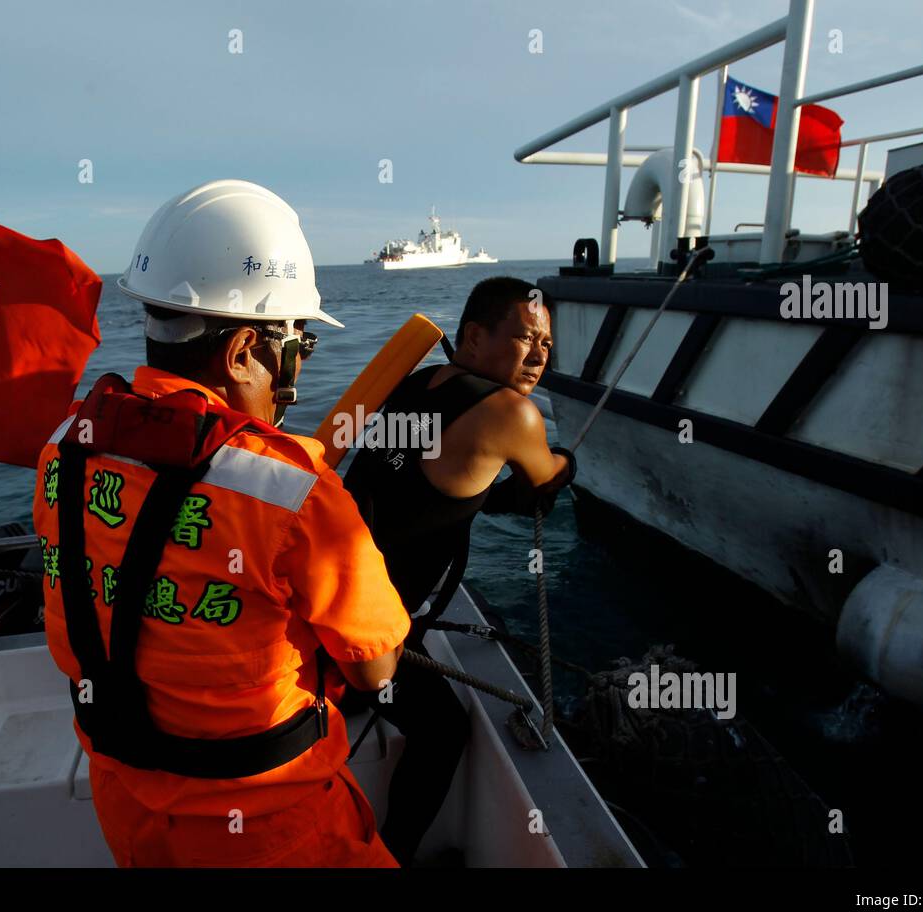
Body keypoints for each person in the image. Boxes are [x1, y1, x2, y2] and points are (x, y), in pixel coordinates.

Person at [33, 180, 410, 867]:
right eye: (295, 349)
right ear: (242, 352)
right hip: (269, 824)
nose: (292, 377)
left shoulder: (65, 444)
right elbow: (374, 671)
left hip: (127, 805)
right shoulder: (294, 490)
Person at [341, 275, 575, 866]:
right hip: (364, 635)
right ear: (473, 337)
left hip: (331, 595)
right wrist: (567, 461)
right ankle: (392, 858)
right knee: (445, 731)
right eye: (525, 337)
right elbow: (543, 483)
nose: (539, 354)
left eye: (546, 343)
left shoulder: (418, 382)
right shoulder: (512, 414)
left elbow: (421, 482)